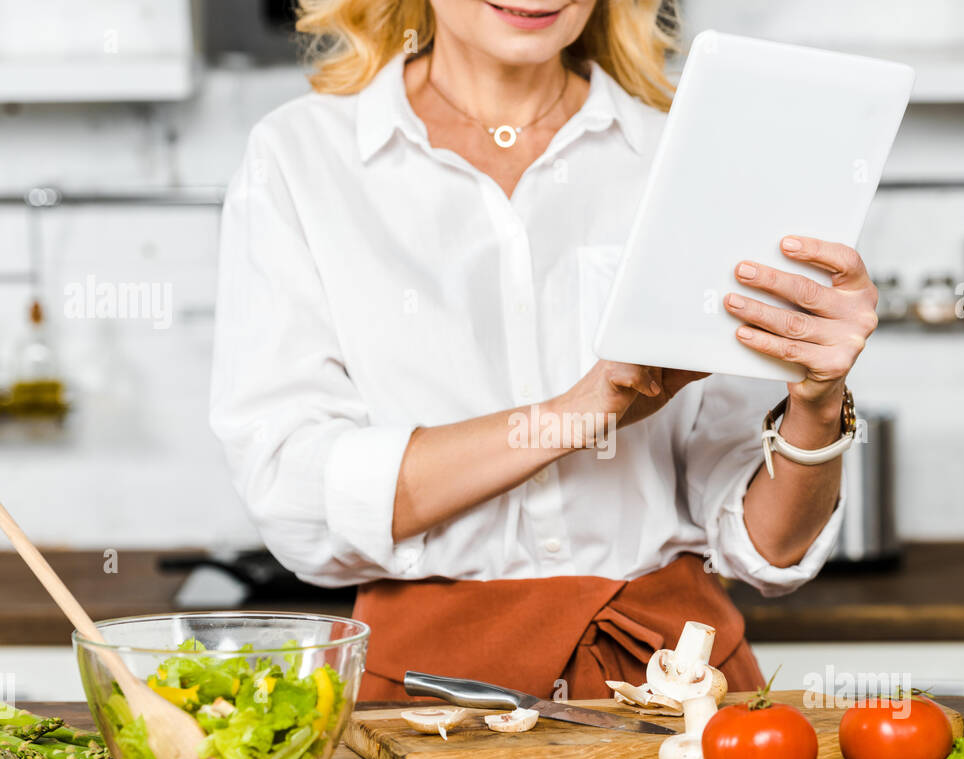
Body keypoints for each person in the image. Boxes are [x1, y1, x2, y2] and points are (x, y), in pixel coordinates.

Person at [210, 0, 880, 701]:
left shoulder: (691, 156)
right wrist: (572, 416)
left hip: (675, 688)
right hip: (426, 699)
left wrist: (818, 397)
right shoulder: (300, 158)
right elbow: (295, 492)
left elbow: (766, 547)